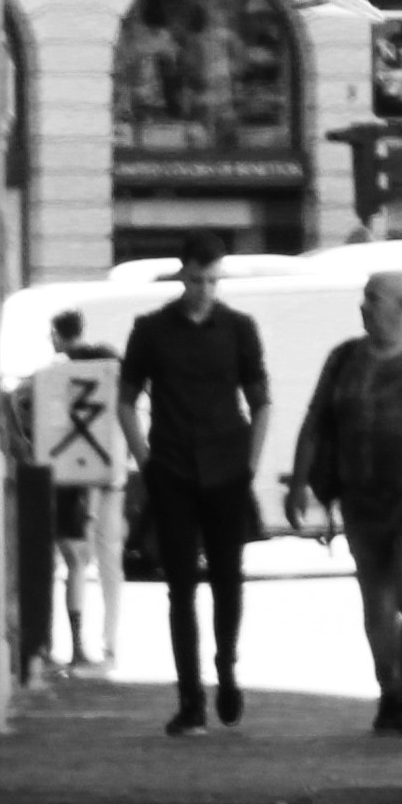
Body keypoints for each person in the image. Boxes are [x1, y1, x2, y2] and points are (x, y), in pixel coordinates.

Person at [284, 269, 402, 738]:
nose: (364, 306)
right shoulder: (344, 359)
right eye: (364, 298)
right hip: (360, 500)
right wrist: (299, 484)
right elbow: (316, 420)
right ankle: (390, 690)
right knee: (377, 600)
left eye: (373, 299)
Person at [118, 244, 272, 737]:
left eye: (212, 281)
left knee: (229, 577)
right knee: (179, 585)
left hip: (226, 465)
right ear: (181, 276)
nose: (204, 290)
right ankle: (190, 697)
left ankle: (226, 668)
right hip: (174, 467)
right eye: (197, 280)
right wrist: (146, 462)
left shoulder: (239, 328)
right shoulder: (151, 329)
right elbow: (125, 400)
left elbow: (261, 401)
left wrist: (250, 463)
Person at [20, 316, 128, 672]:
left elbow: (16, 399)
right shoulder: (108, 368)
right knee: (98, 564)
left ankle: (54, 645)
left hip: (64, 478)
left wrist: (25, 444)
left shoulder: (54, 375)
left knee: (64, 563)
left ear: (56, 335)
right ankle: (101, 645)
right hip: (105, 477)